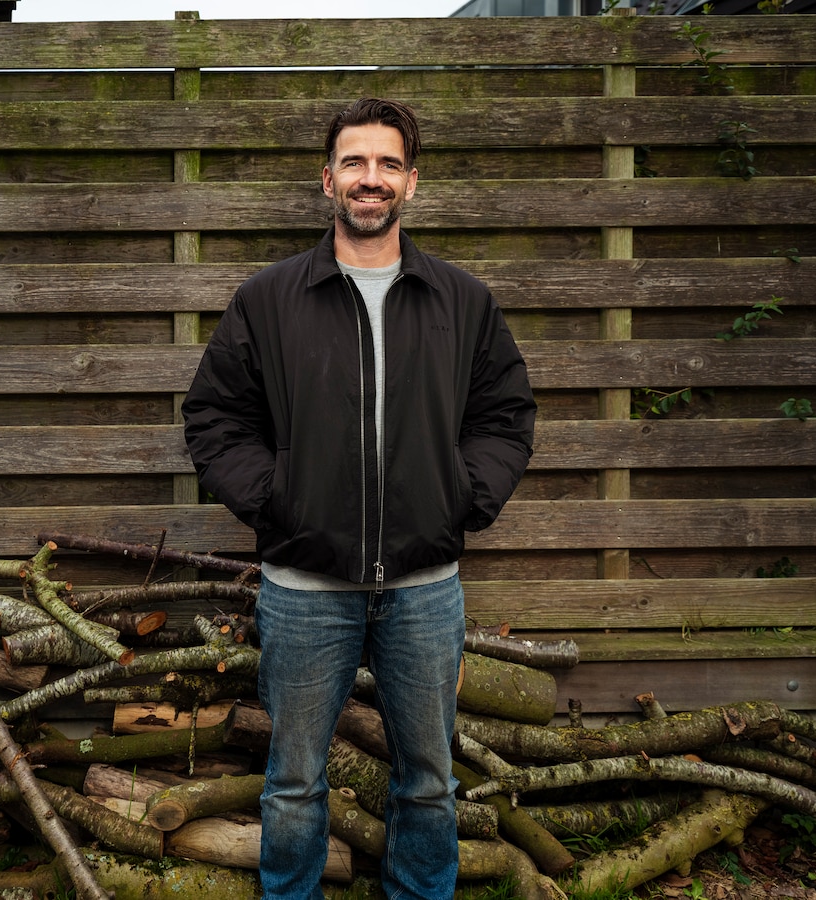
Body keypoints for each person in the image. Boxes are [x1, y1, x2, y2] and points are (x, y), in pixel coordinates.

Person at [181, 98, 536, 900]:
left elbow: (505, 417)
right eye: (353, 162)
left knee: (429, 782)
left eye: (385, 164)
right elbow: (214, 417)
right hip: (305, 591)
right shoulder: (269, 300)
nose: (368, 180)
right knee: (295, 782)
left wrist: (460, 499)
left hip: (424, 591)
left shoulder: (462, 302)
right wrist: (280, 503)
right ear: (328, 179)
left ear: (411, 181)